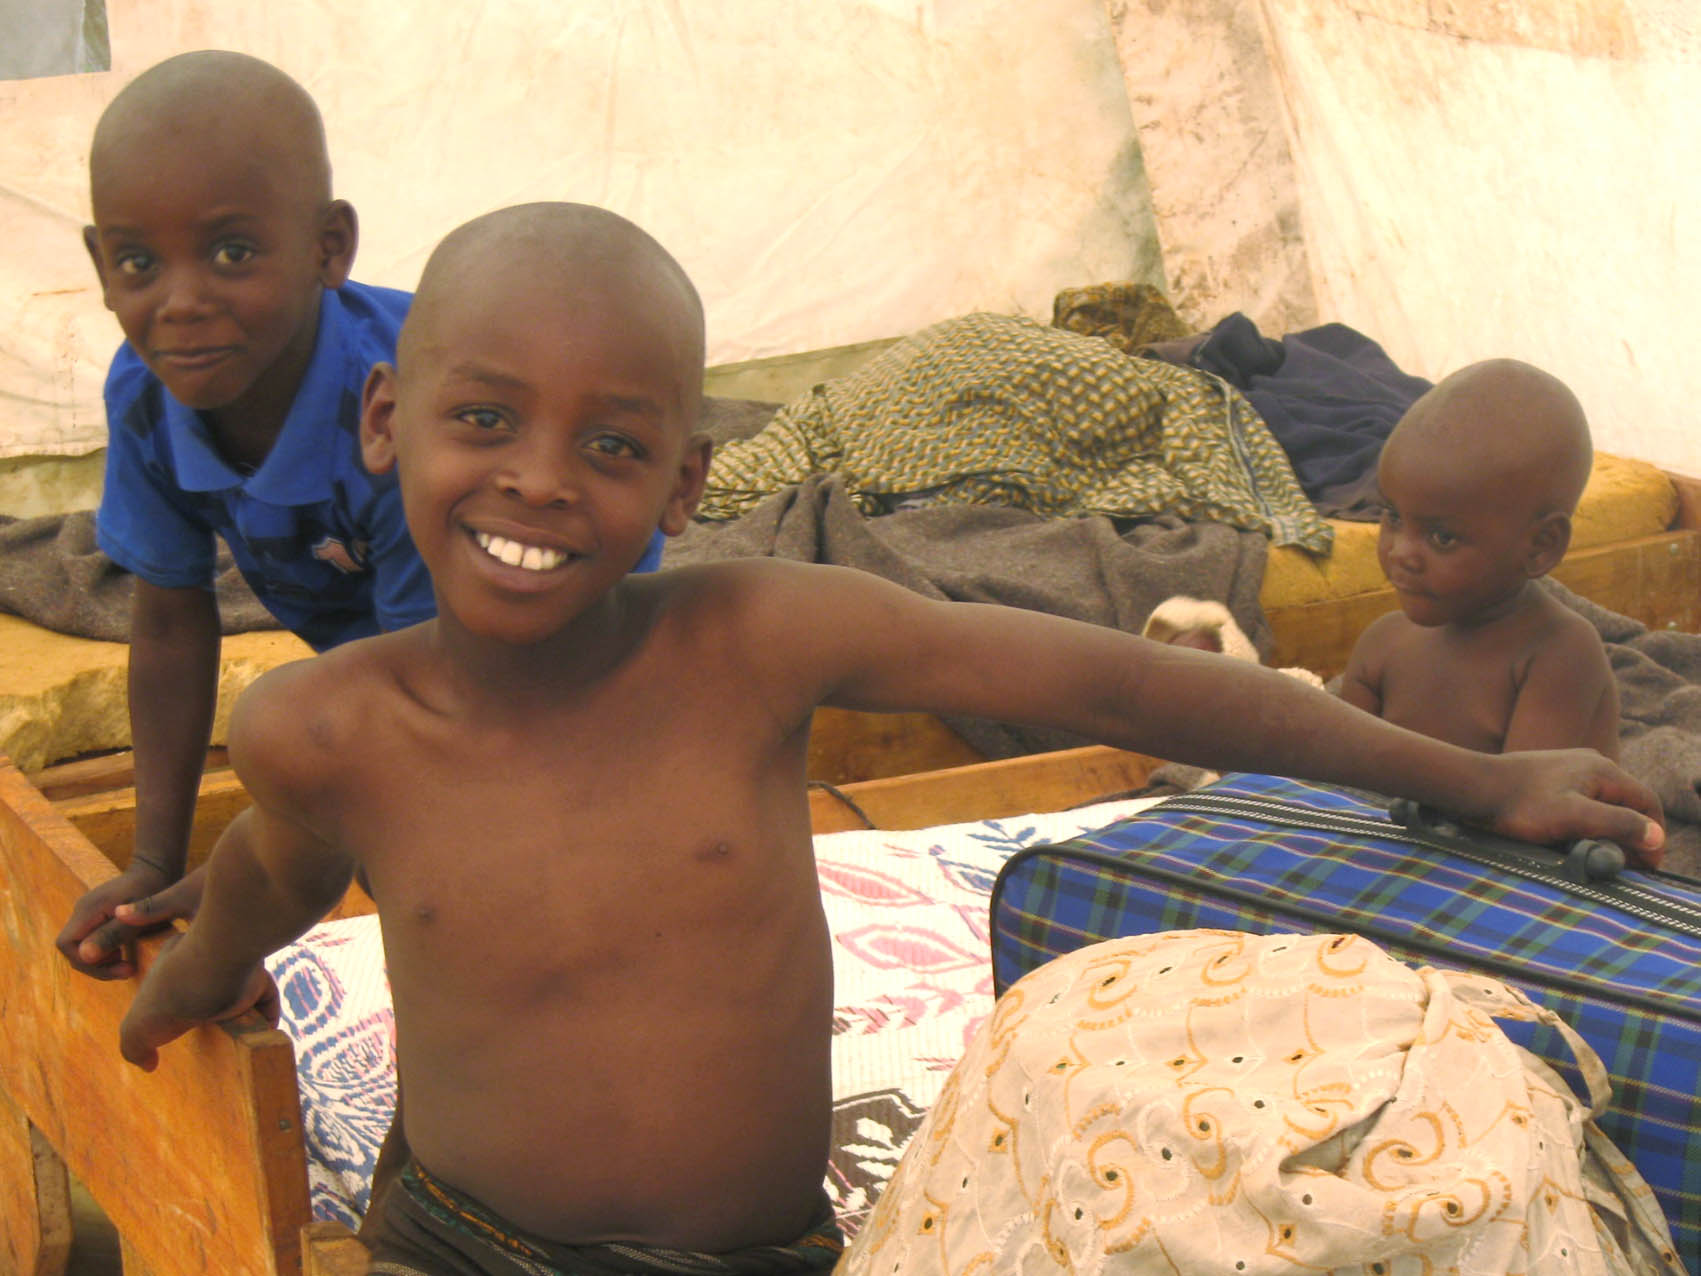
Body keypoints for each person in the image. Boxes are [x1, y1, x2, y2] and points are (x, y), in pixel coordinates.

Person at [118, 204, 1663, 1274]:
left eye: (608, 445)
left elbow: (1124, 692)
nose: (536, 481)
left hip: (756, 1254)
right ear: (388, 423)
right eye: (485, 420)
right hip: (459, 1245)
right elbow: (271, 876)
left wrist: (1474, 778)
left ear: (681, 483)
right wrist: (169, 978)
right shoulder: (327, 725)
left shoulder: (752, 639)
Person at [53, 50, 661, 981]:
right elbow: (171, 620)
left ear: (328, 247)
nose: (180, 302)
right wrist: (152, 863)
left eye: (231, 252)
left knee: (504, 865)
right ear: (101, 266)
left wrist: (250, 884)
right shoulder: (145, 394)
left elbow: (436, 691)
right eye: (139, 260)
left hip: (560, 622)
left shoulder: (399, 421)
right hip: (415, 654)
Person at [1339, 359, 1619, 759]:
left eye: (1442, 537)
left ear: (1540, 546)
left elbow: (1529, 805)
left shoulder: (1559, 654)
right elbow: (1335, 777)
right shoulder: (1383, 644)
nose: (1401, 552)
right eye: (1393, 517)